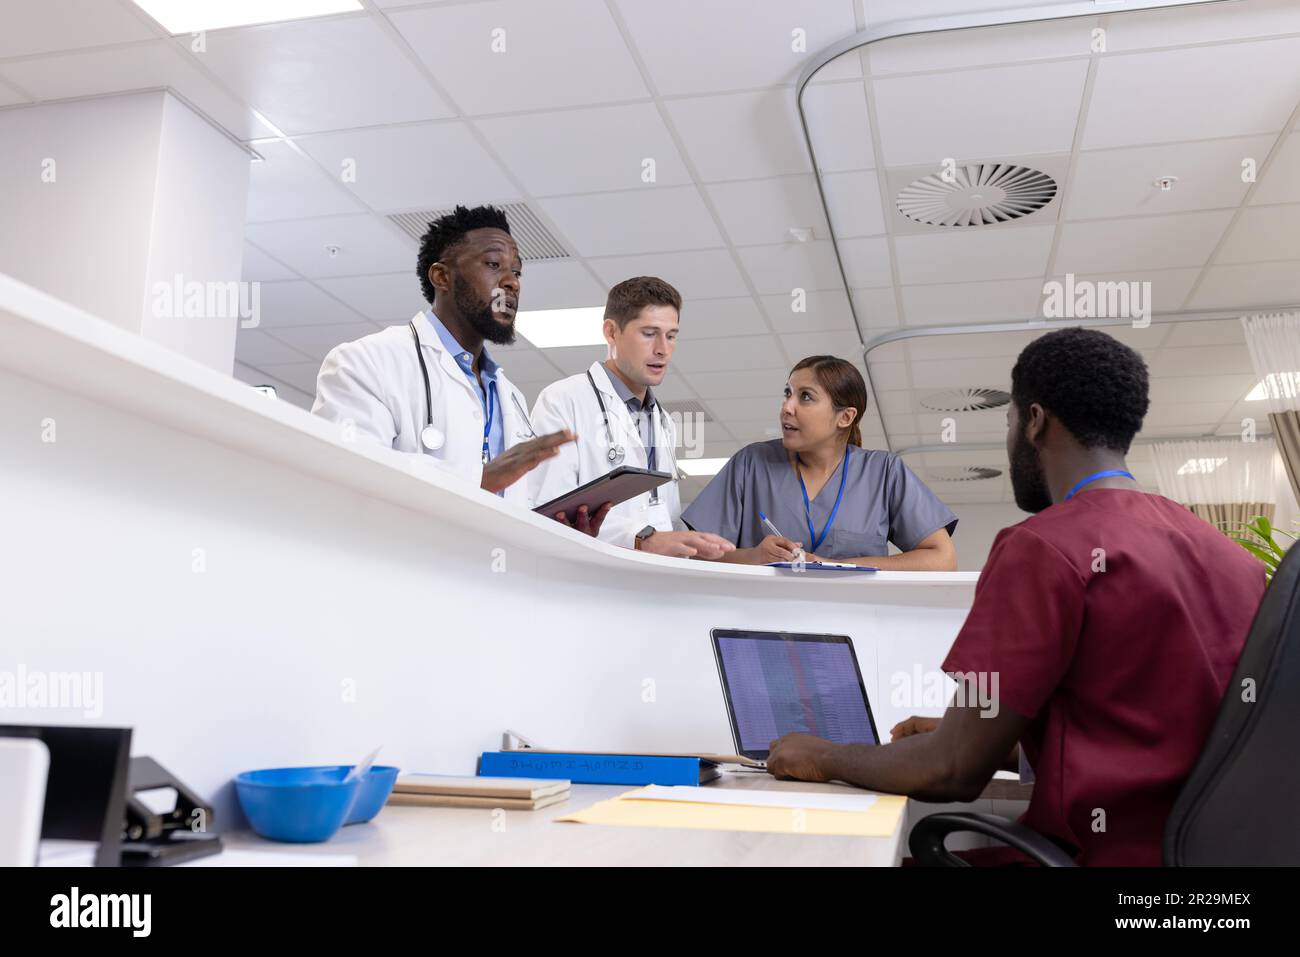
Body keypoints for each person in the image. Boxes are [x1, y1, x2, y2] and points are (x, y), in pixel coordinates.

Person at [765, 327, 1268, 866]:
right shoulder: (1232, 557)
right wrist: (1001, 740)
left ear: (1034, 420)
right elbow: (1153, 734)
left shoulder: (1043, 547)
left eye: (1008, 421)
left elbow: (951, 770)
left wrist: (823, 755)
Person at [312, 204, 607, 534]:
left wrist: (566, 531)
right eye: (494, 265)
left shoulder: (511, 398)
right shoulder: (366, 362)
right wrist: (479, 478)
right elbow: (346, 476)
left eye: (517, 272)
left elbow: (513, 512)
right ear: (442, 276)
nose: (511, 283)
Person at [682, 355, 957, 570]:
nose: (787, 407)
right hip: (761, 626)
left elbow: (942, 559)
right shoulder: (751, 464)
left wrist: (837, 566)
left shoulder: (884, 473)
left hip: (855, 627)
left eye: (805, 397)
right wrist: (754, 557)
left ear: (845, 417)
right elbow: (694, 555)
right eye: (788, 393)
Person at [528, 277, 733, 559]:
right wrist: (642, 539)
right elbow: (550, 509)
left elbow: (660, 512)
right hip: (589, 578)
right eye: (649, 333)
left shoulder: (663, 422)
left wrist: (690, 544)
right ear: (611, 332)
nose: (663, 349)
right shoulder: (563, 400)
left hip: (652, 583)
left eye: (671, 335)